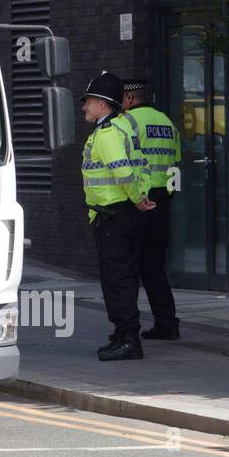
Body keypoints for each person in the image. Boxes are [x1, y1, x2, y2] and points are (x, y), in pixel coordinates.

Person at [81, 71, 155, 361]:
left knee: (117, 279)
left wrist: (137, 199)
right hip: (122, 214)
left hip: (114, 216)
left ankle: (128, 338)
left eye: (87, 101)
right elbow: (141, 167)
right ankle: (124, 333)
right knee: (123, 276)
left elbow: (123, 172)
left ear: (102, 104)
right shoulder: (124, 126)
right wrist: (142, 196)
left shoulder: (108, 134)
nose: (84, 107)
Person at [122, 79, 181, 340]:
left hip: (138, 200)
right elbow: (177, 161)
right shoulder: (167, 122)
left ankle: (127, 328)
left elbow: (124, 162)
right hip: (163, 200)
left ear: (131, 99)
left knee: (129, 266)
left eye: (121, 99)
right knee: (154, 267)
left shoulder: (128, 122)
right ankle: (167, 323)